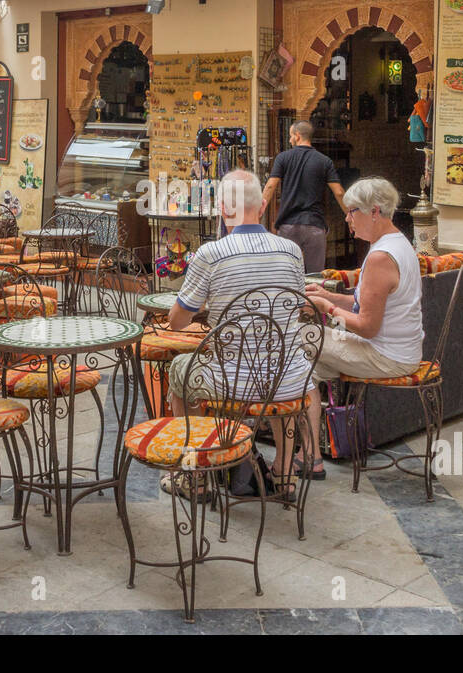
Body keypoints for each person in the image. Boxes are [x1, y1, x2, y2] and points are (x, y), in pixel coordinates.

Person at [164, 169, 310, 496]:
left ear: (224, 208)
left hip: (235, 383)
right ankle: (285, 475)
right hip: (292, 379)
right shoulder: (291, 251)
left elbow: (176, 322)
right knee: (280, 377)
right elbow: (295, 308)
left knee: (181, 372)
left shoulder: (211, 254)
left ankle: (196, 476)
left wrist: (211, 315)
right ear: (261, 208)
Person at [299, 177, 423, 480]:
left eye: (351, 211)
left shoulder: (380, 257)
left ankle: (309, 454)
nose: (346, 218)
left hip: (387, 356)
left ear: (374, 212)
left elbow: (366, 326)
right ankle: (310, 452)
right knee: (304, 363)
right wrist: (329, 295)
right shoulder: (398, 243)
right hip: (401, 349)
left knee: (294, 345)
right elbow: (363, 302)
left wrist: (327, 309)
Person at [261, 121, 347, 273]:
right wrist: (351, 215)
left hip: (288, 226)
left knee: (286, 274)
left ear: (297, 136)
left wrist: (258, 213)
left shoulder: (283, 158)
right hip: (315, 225)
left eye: (290, 136)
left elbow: (270, 186)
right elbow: (339, 192)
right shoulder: (324, 161)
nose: (289, 140)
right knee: (315, 277)